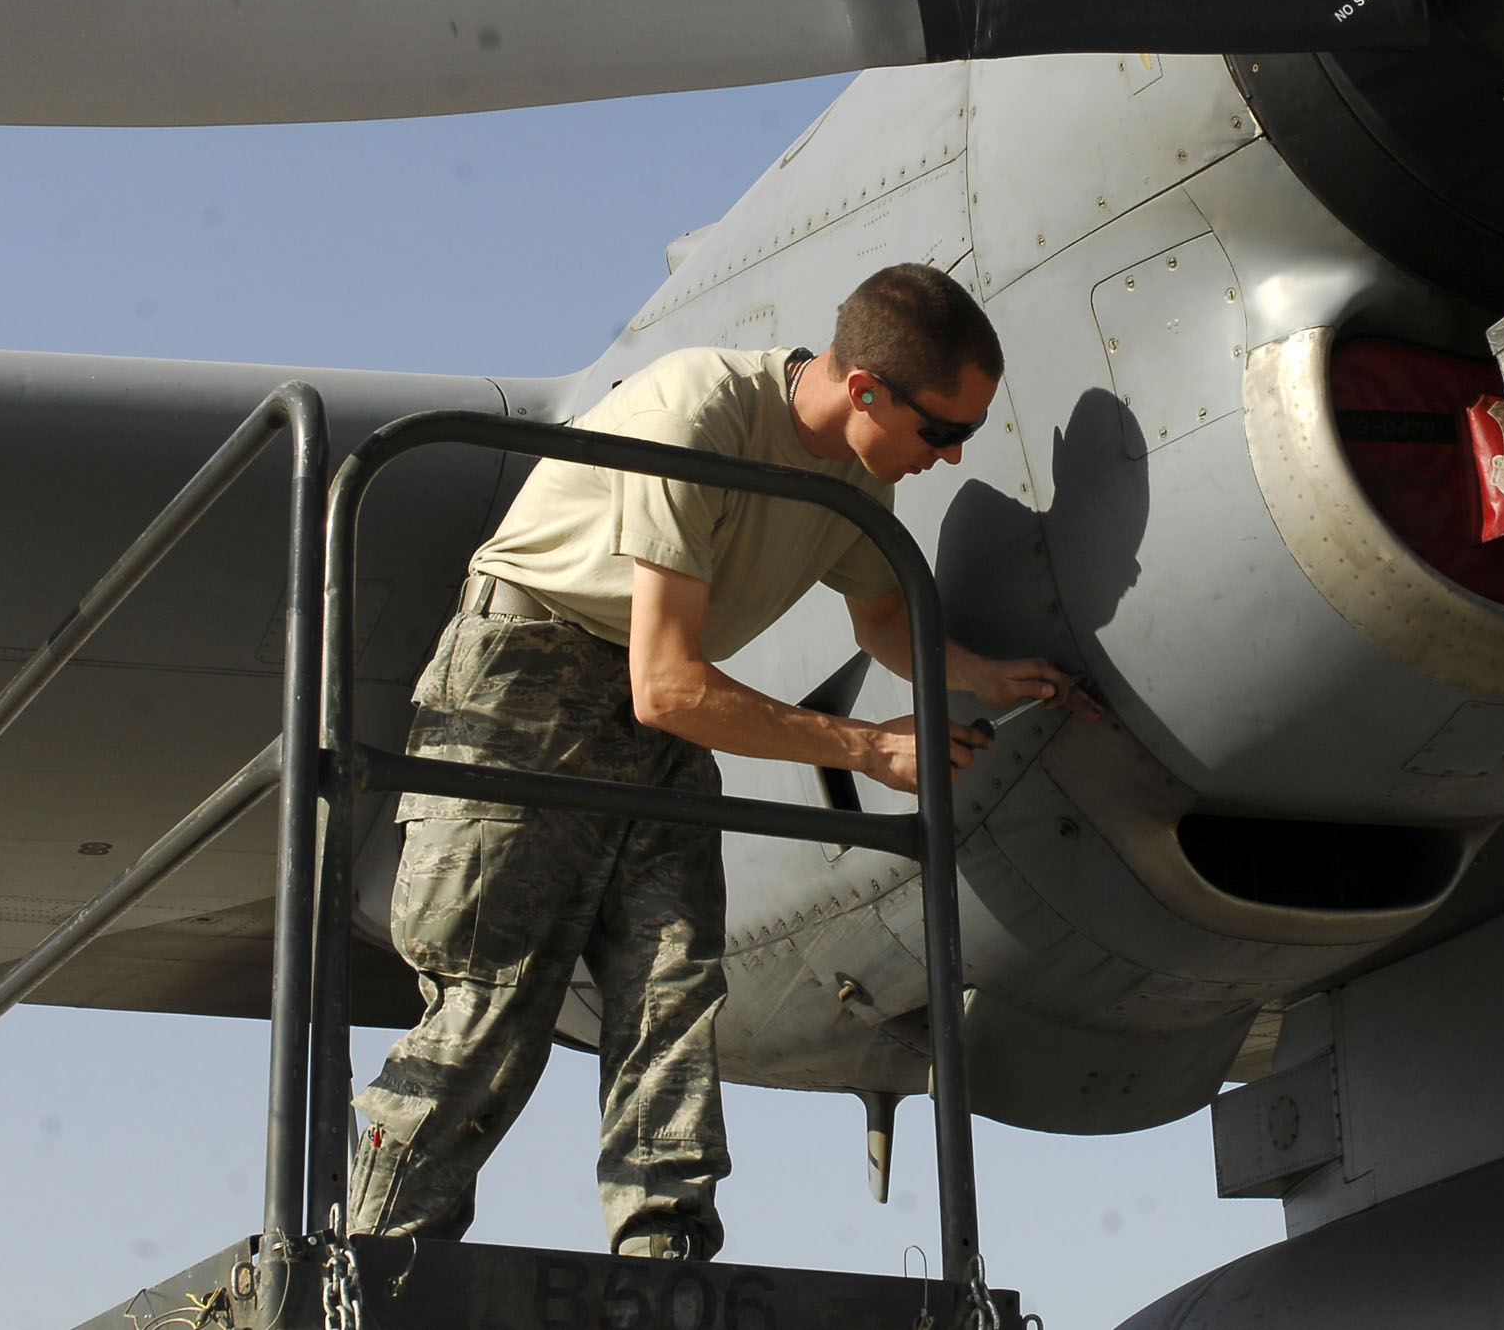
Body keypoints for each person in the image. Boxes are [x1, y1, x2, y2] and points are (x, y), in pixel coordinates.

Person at [346, 263, 1100, 1261]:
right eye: (942, 429)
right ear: (865, 389)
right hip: (529, 674)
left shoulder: (858, 473)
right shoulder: (696, 415)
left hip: (658, 707)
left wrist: (988, 675)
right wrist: (869, 747)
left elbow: (881, 618)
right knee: (494, 999)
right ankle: (377, 1270)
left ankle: (664, 1267)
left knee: (673, 990)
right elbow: (666, 685)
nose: (953, 456)